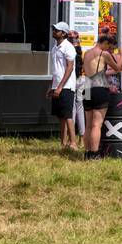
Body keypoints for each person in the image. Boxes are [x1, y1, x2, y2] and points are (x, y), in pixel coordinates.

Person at [82, 34, 122, 159]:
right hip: (99, 89)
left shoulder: (87, 53)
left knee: (88, 125)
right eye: (109, 47)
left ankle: (87, 153)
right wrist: (121, 54)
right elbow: (118, 67)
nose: (109, 50)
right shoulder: (103, 54)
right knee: (96, 125)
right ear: (105, 43)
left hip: (87, 89)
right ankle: (95, 154)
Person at [48, 21, 77, 152]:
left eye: (57, 30)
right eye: (53, 29)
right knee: (61, 116)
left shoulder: (68, 47)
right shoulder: (55, 47)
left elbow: (69, 68)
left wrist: (60, 86)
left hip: (66, 86)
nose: (54, 31)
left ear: (64, 33)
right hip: (57, 85)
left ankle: (73, 143)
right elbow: (56, 70)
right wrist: (52, 85)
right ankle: (63, 142)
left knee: (67, 115)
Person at [68, 29, 85, 145]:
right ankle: (82, 139)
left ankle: (71, 138)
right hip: (84, 80)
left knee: (72, 108)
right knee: (81, 108)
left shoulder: (69, 50)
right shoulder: (81, 50)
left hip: (73, 80)